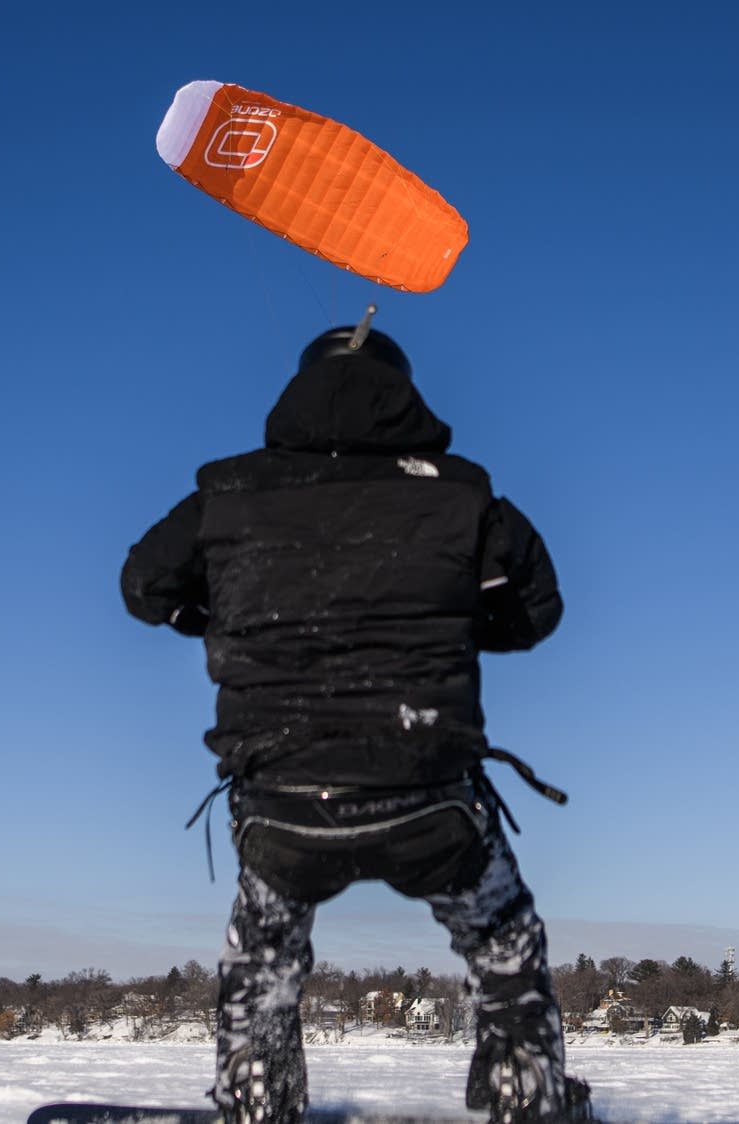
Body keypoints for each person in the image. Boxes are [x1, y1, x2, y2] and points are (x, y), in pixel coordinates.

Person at [121, 314, 590, 1124]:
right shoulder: (463, 492)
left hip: (282, 797)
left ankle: (258, 1097)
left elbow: (143, 588)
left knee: (263, 948)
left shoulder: (226, 492)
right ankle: (530, 1093)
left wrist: (223, 614)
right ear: (404, 395)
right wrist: (455, 622)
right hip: (429, 793)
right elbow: (538, 610)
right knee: (504, 935)